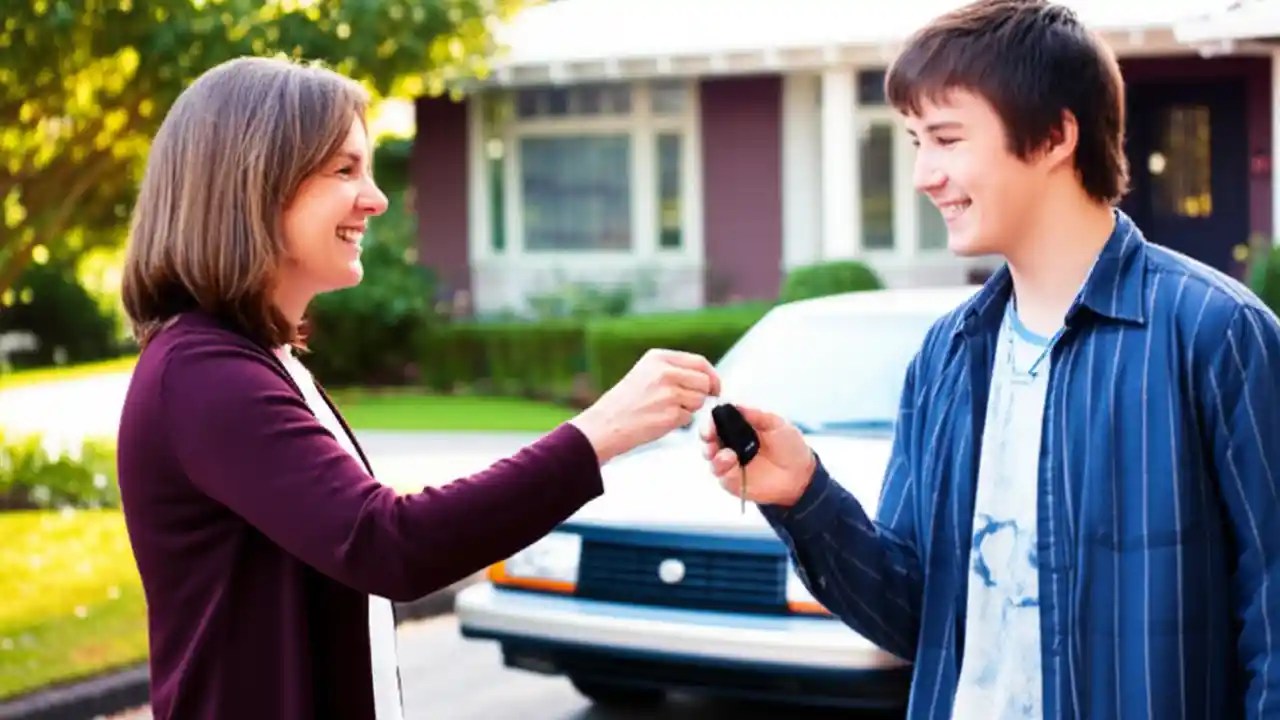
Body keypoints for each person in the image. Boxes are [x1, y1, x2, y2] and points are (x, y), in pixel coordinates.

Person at [703, 1, 1280, 718]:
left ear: (1053, 137)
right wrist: (803, 495)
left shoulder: (1215, 333)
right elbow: (915, 619)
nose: (922, 175)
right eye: (915, 140)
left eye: (945, 138)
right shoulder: (945, 357)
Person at [115, 55, 720, 720]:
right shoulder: (204, 376)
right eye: (344, 169)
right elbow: (387, 544)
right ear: (253, 184)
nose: (375, 199)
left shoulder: (258, 361)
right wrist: (598, 432)